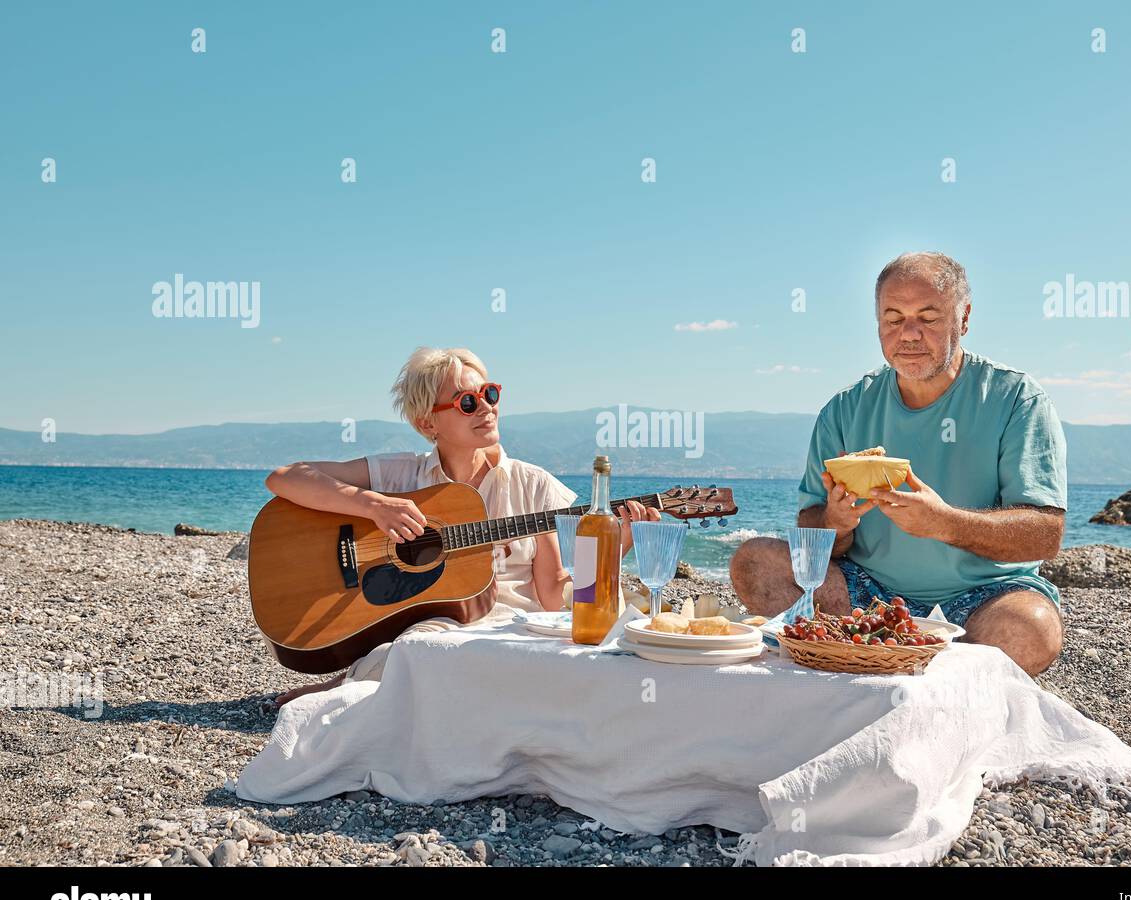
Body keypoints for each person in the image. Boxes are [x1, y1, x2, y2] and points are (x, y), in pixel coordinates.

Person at [730, 252, 1066, 675]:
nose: (909, 333)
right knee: (754, 562)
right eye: (893, 318)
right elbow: (809, 542)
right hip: (866, 596)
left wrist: (945, 523)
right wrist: (835, 522)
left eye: (928, 317)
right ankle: (923, 669)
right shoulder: (844, 409)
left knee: (1031, 628)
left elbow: (1044, 535)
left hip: (985, 595)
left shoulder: (1016, 399)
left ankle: (878, 667)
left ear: (963, 319)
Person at [267, 347, 659, 705]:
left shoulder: (533, 484)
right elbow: (285, 477)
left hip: (514, 633)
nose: (486, 408)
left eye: (490, 394)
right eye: (467, 402)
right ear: (427, 423)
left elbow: (554, 595)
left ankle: (364, 689)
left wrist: (611, 550)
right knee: (419, 652)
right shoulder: (400, 475)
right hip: (438, 631)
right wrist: (373, 505)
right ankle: (356, 685)